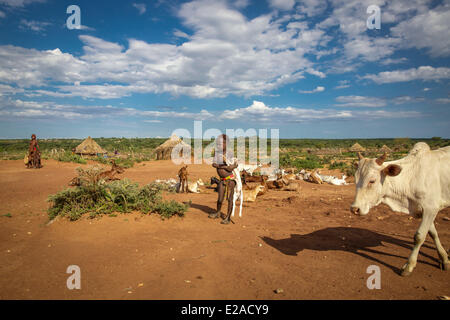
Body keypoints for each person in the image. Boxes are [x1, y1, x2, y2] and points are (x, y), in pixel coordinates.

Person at [209, 134, 238, 224]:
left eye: (220, 144)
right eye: (217, 144)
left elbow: (234, 165)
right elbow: (213, 164)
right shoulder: (217, 153)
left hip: (230, 179)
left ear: (226, 144)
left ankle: (228, 218)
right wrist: (222, 165)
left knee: (230, 199)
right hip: (222, 180)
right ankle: (218, 213)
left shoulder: (230, 153)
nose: (218, 146)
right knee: (220, 199)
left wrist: (228, 167)